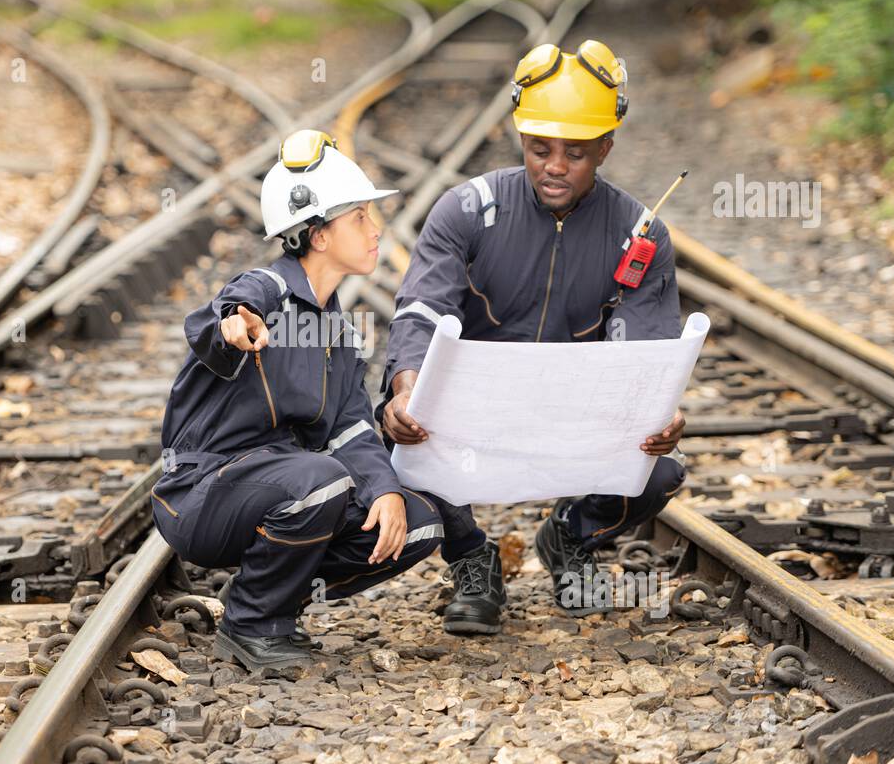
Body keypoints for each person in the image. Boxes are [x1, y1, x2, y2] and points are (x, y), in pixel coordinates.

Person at [381, 40, 687, 629]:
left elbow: (646, 352)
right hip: (473, 407)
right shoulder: (465, 211)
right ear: (521, 139)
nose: (553, 165)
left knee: (661, 469)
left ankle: (569, 538)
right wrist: (406, 385)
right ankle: (473, 559)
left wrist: (658, 414)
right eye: (539, 148)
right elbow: (420, 309)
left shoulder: (639, 233)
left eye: (575, 152)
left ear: (605, 147)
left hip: (574, 412)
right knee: (400, 442)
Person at [153, 130, 444, 671]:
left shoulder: (338, 331)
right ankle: (249, 621)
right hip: (200, 492)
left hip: (281, 489)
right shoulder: (265, 292)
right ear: (317, 235)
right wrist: (236, 321)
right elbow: (233, 305)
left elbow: (353, 428)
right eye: (359, 218)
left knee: (417, 522)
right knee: (320, 477)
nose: (375, 229)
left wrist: (385, 490)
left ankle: (275, 602)